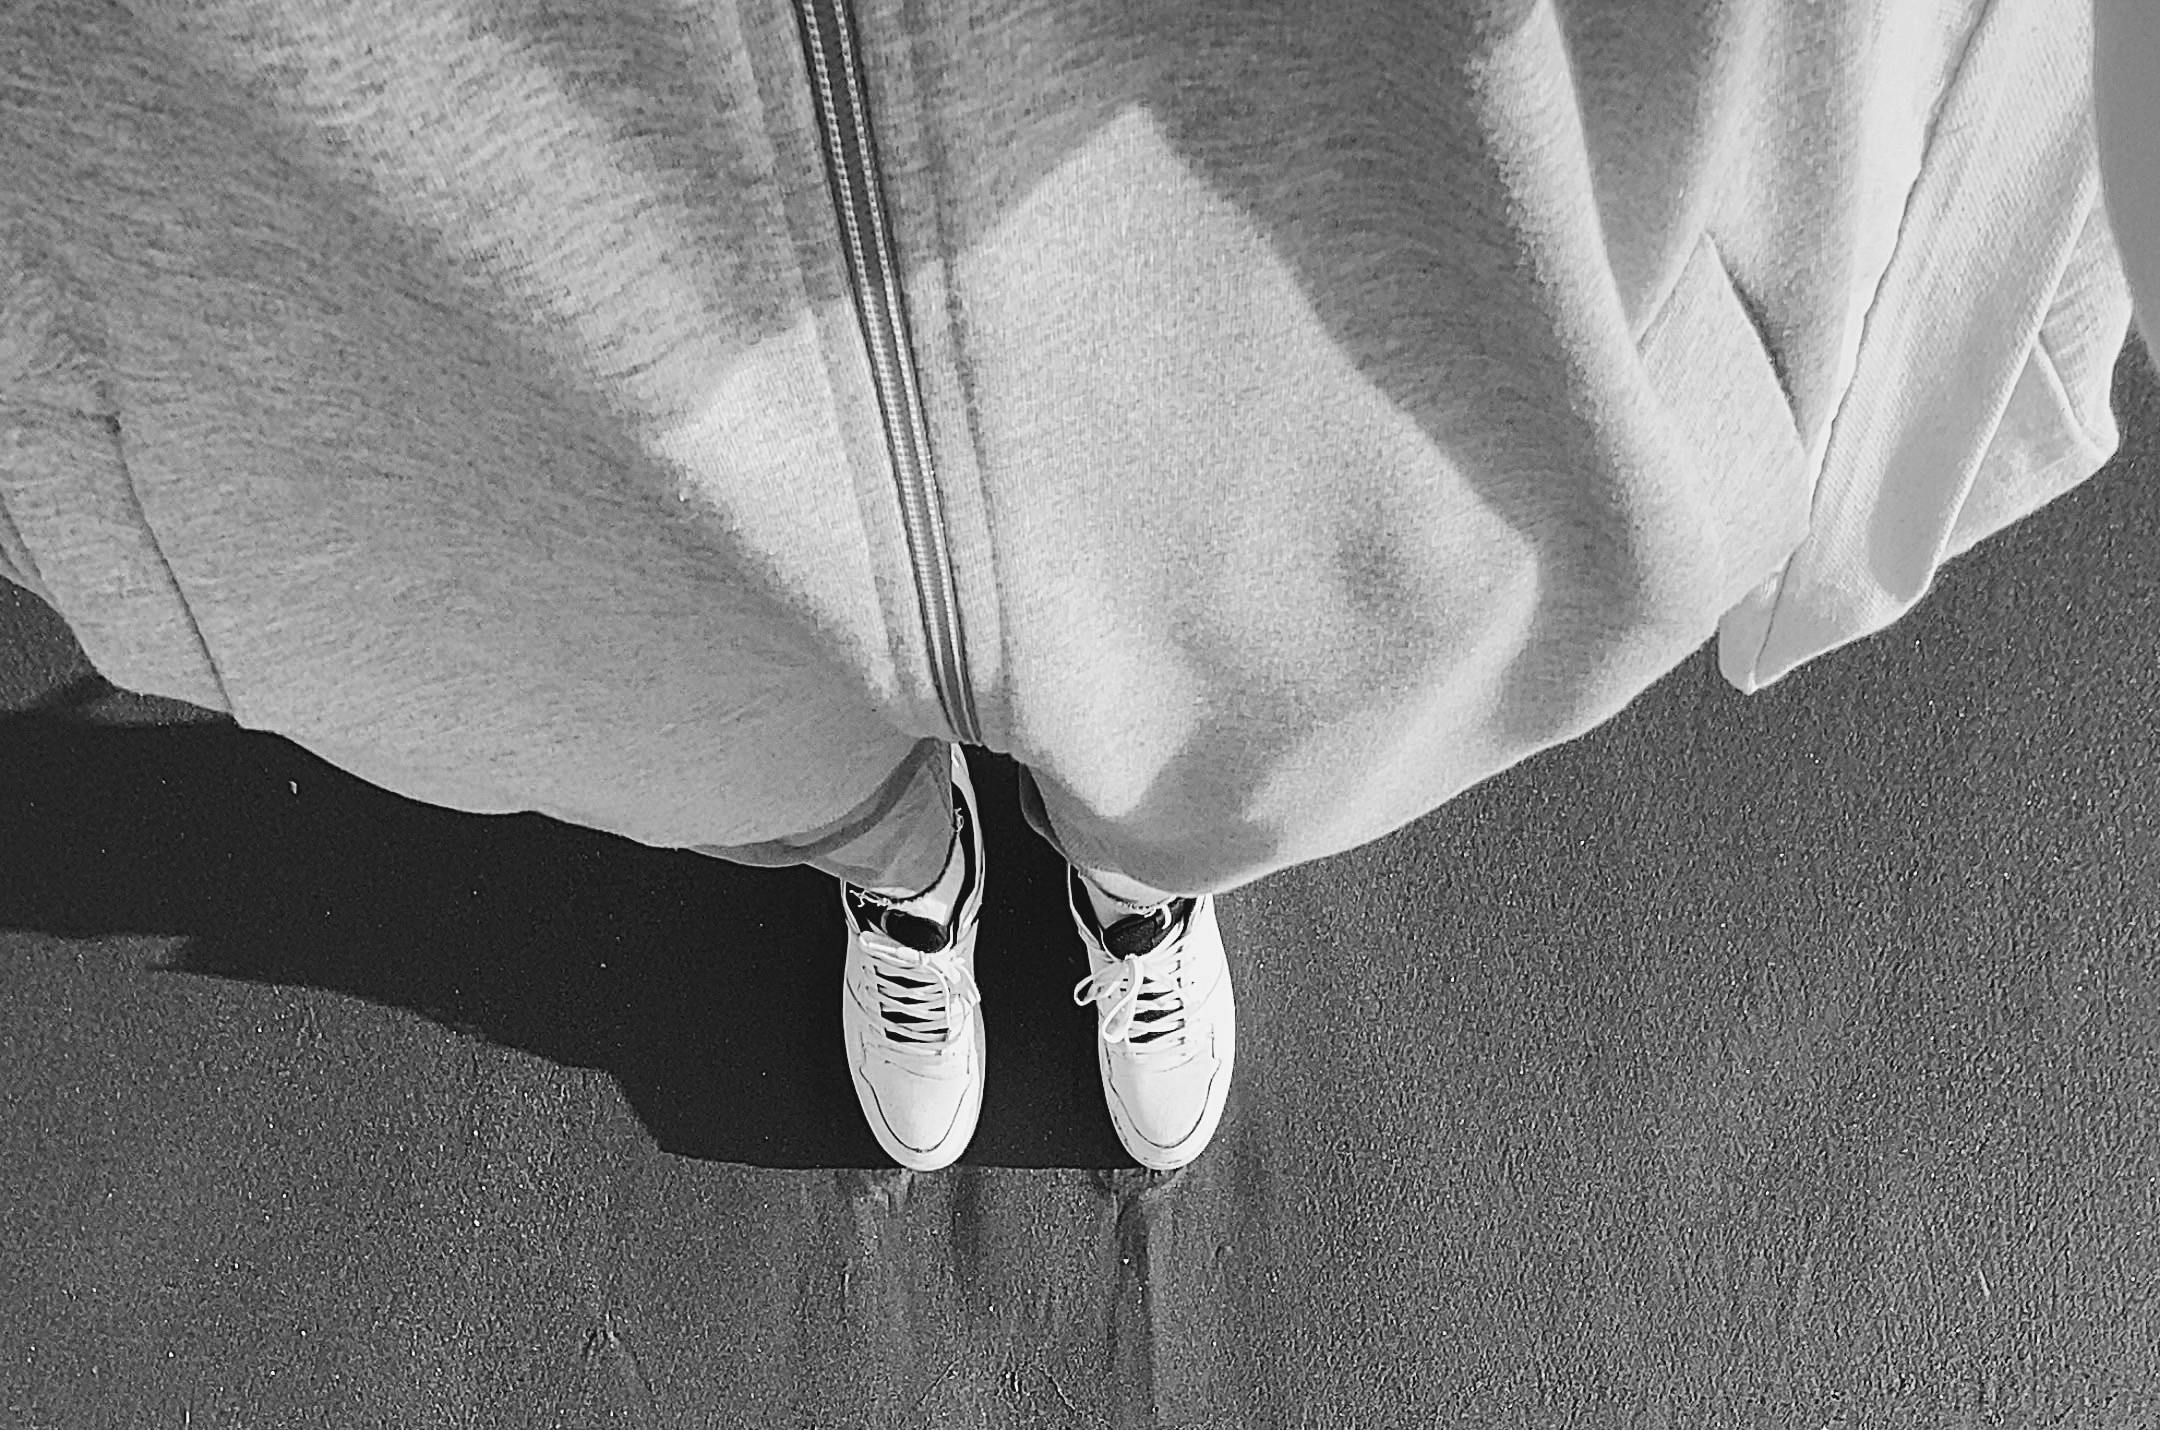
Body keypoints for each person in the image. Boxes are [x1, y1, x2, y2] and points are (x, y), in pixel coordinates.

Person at [0, 0, 2142, 1182]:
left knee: (1245, 707)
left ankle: (1131, 873)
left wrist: (1948, 331)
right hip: (463, 371)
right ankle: (899, 869)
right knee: (705, 714)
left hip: (1388, 337)